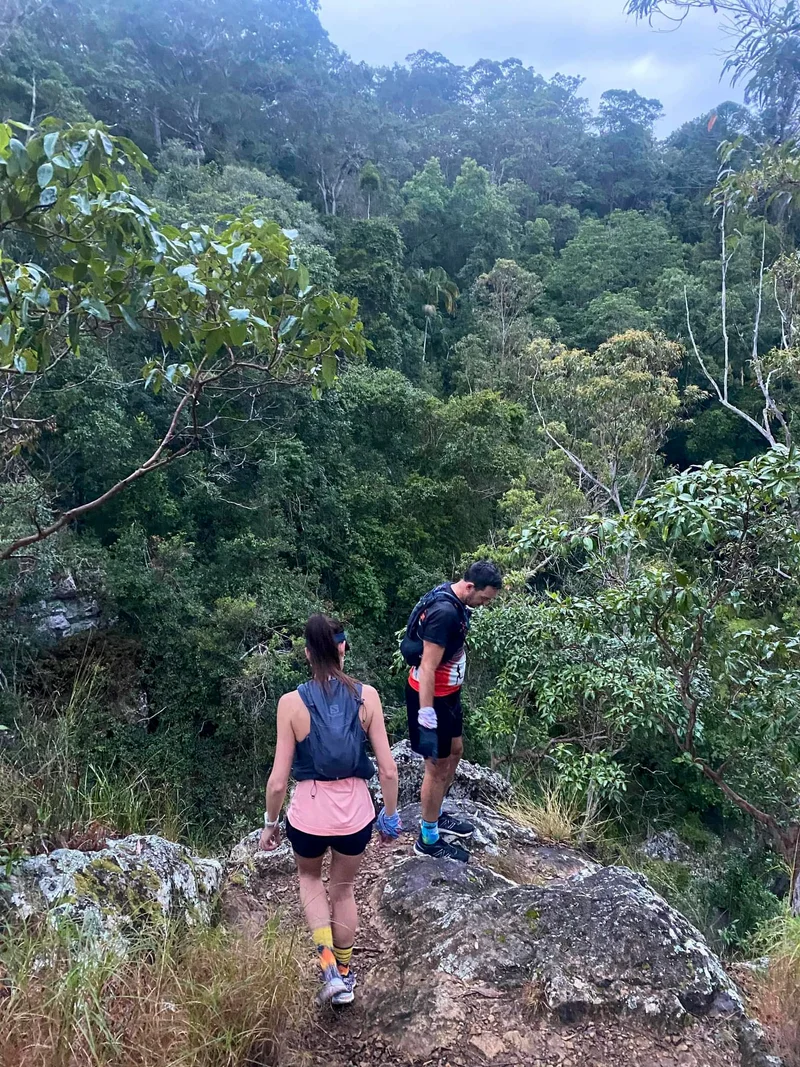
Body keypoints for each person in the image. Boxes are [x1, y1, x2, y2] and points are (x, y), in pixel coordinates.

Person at [259, 614, 400, 1006]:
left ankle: (328, 972)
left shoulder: (290, 703)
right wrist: (389, 817)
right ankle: (347, 971)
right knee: (343, 890)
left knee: (309, 881)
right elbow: (388, 769)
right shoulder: (367, 696)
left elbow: (277, 781)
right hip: (355, 815)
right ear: (343, 647)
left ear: (307, 654)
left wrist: (270, 826)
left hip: (308, 815)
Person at [402, 560, 503, 861]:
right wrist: (426, 714)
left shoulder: (453, 598)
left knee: (455, 751)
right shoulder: (444, 613)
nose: (484, 604)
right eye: (484, 598)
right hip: (432, 700)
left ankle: (438, 812)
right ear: (470, 587)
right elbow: (428, 666)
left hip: (449, 696)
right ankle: (428, 839)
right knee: (435, 767)